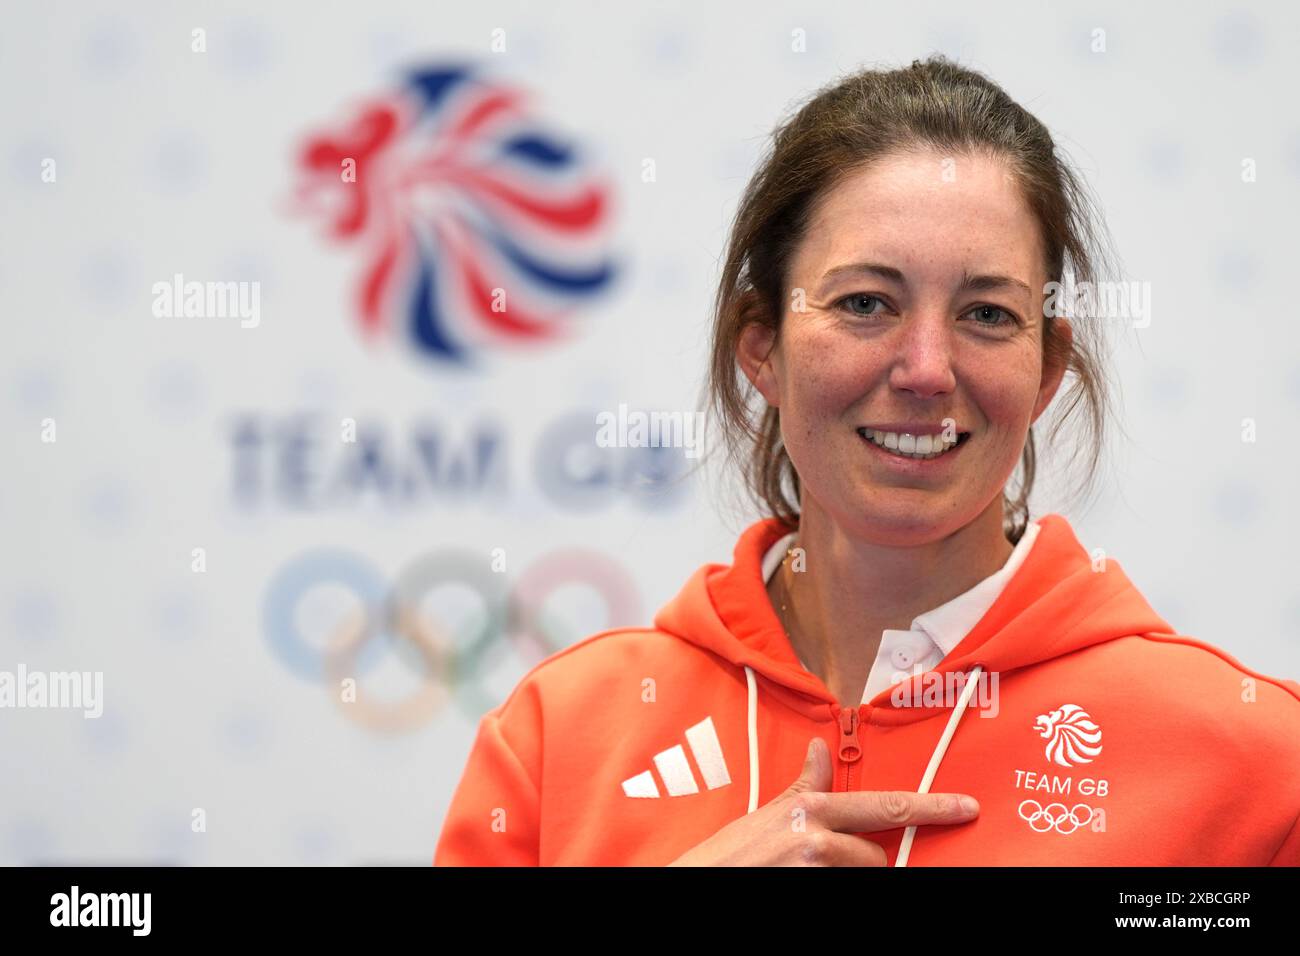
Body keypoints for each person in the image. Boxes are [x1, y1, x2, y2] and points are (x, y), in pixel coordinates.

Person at [433, 56, 1300, 866]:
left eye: (988, 314)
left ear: (1046, 368)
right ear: (762, 345)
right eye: (865, 303)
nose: (926, 369)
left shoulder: (1250, 762)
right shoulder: (559, 736)